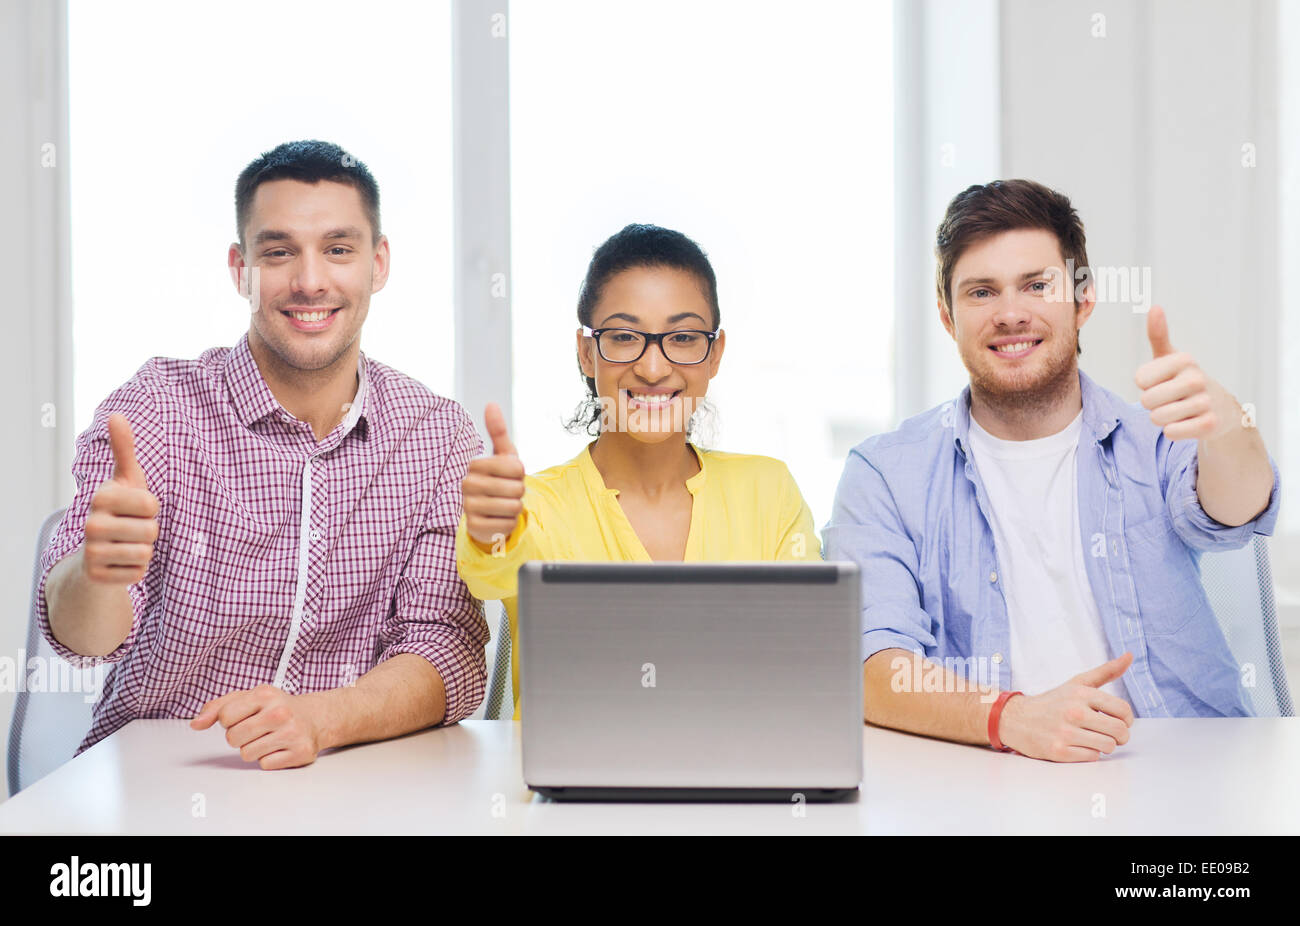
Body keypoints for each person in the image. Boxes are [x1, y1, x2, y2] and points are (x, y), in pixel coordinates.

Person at [38, 140, 489, 768]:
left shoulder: (437, 437)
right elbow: (80, 642)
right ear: (240, 267)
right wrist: (95, 570)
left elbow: (449, 652)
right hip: (162, 781)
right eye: (278, 253)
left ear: (378, 263)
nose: (309, 281)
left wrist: (321, 719)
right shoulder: (157, 411)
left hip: (354, 781)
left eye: (338, 249)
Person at [824, 179, 1280, 762]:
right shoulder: (884, 475)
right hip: (989, 774)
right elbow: (871, 666)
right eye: (981, 293)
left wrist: (1228, 426)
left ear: (1082, 300)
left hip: (1179, 769)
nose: (1011, 314)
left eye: (1037, 285)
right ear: (947, 316)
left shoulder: (1156, 440)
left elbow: (1236, 510)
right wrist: (1009, 718)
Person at [456, 223, 820, 718]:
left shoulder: (769, 491)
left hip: (737, 783)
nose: (652, 368)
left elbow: (805, 662)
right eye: (625, 337)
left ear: (714, 354)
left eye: (684, 337)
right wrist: (489, 531)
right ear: (587, 352)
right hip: (576, 789)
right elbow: (489, 570)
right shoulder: (536, 507)